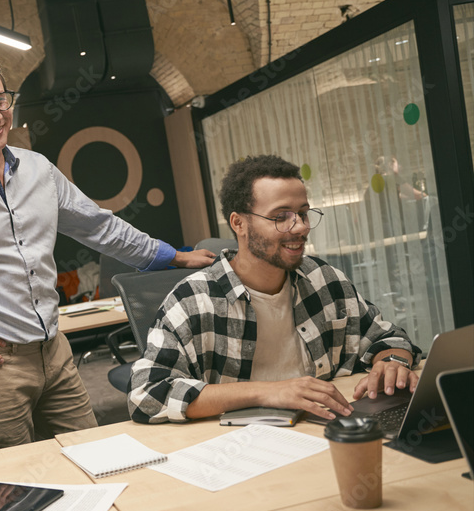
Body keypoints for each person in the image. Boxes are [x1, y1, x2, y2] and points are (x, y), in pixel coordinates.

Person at [0, 50, 214, 452]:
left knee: (98, 460)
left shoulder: (37, 170)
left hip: (55, 352)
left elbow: (99, 227)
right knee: (17, 489)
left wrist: (174, 257)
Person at [129, 154, 421, 424]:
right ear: (239, 223)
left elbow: (388, 336)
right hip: (239, 448)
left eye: (303, 213)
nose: (300, 227)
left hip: (324, 429)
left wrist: (393, 361)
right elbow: (147, 394)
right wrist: (267, 392)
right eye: (281, 217)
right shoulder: (193, 300)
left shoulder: (323, 279)